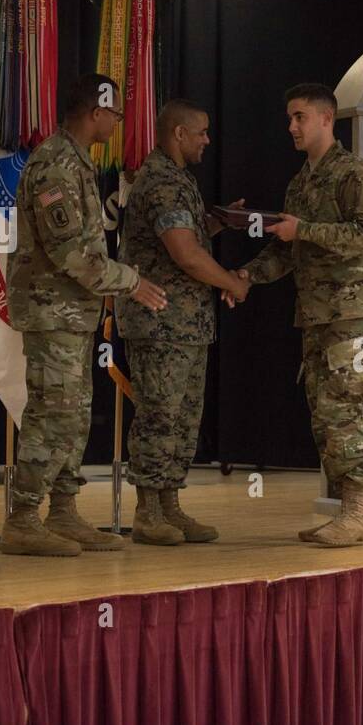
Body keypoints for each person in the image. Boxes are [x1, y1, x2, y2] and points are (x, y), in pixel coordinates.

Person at [0, 73, 168, 556]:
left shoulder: (76, 162)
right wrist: (131, 282)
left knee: (73, 417)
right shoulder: (55, 165)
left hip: (71, 314)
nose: (118, 122)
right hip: (52, 313)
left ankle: (63, 511)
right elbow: (72, 254)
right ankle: (24, 517)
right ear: (95, 112)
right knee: (51, 414)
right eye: (115, 114)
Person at [232, 83, 363, 546]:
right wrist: (243, 276)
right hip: (317, 317)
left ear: (326, 118)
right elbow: (288, 251)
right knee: (325, 416)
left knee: (347, 413)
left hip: (354, 316)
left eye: (300, 117)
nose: (292, 127)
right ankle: (348, 512)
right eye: (290, 118)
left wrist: (306, 228)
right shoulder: (301, 183)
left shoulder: (356, 175)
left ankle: (358, 512)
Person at [117, 100, 249, 545]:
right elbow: (185, 254)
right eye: (202, 132)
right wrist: (232, 281)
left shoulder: (179, 181)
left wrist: (215, 222)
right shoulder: (162, 182)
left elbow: (185, 238)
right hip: (161, 324)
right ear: (178, 134)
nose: (207, 140)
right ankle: (147, 511)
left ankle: (170, 504)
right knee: (159, 416)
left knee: (183, 419)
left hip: (185, 325)